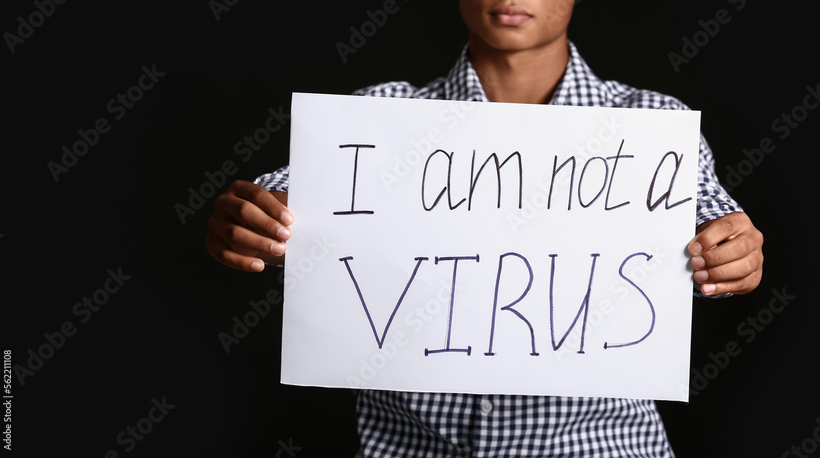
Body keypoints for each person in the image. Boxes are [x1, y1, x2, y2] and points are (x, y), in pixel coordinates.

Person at [206, 1, 763, 455]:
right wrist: (261, 221)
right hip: (408, 447)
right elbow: (291, 196)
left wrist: (734, 254)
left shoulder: (652, 125)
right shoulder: (379, 117)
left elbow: (718, 222)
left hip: (603, 445)